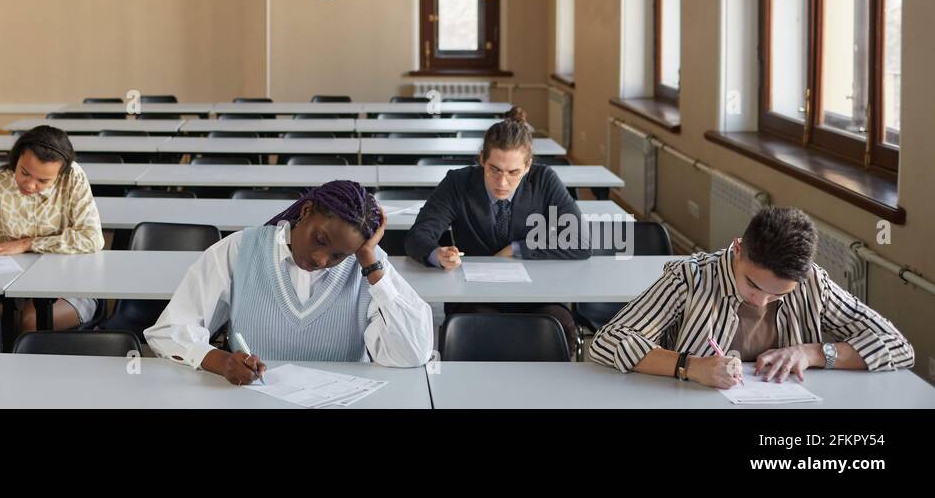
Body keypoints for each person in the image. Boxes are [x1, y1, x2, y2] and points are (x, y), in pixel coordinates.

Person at [144, 180, 434, 385]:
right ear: (305, 212)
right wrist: (219, 361)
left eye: (338, 255)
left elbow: (412, 352)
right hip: (250, 399)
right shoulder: (240, 249)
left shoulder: (368, 265)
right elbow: (169, 330)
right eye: (319, 240)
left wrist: (370, 261)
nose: (322, 259)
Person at [589, 205, 914, 387]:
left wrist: (813, 353)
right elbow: (609, 341)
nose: (759, 301)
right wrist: (689, 366)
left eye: (777, 296)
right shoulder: (691, 277)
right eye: (753, 285)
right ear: (737, 249)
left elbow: (898, 346)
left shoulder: (812, 283)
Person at [404, 107, 588, 351]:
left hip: (536, 295)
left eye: (514, 173)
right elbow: (417, 237)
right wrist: (436, 254)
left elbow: (579, 240)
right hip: (475, 295)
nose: (503, 183)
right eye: (494, 170)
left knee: (563, 330)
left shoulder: (544, 180)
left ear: (528, 166)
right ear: (482, 159)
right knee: (478, 331)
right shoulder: (458, 183)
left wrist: (516, 249)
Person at [0, 124, 104, 332]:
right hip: (8, 284)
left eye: (43, 180)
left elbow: (92, 238)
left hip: (69, 280)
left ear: (60, 175)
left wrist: (28, 244)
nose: (30, 185)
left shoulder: (73, 177)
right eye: (24, 172)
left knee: (34, 320)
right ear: (16, 158)